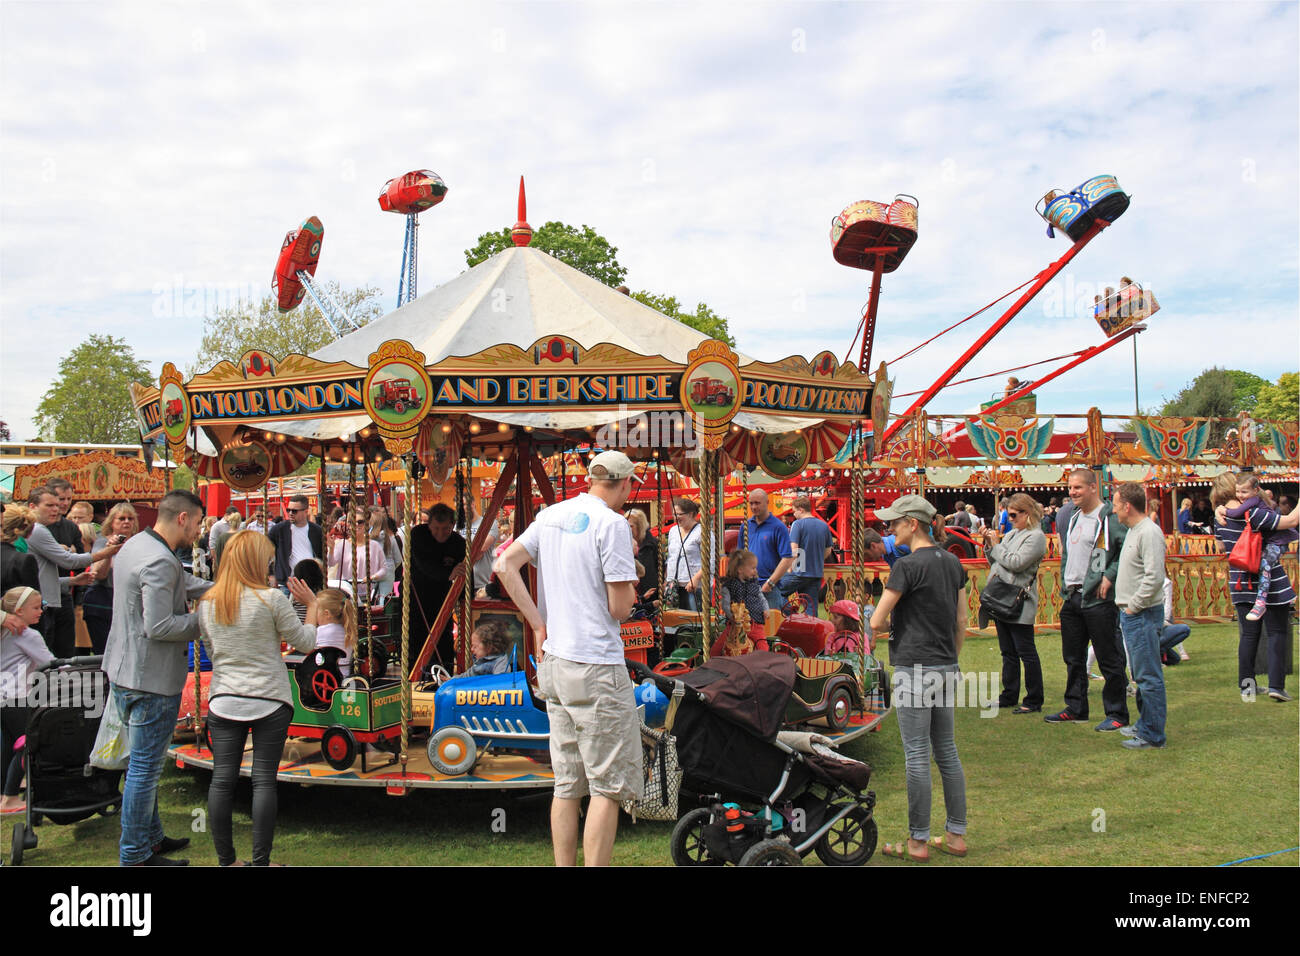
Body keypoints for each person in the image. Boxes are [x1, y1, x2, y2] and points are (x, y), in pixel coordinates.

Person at [493, 449, 642, 866]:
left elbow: (504, 565)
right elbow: (620, 609)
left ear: (593, 479)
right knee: (607, 787)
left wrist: (538, 624)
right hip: (595, 663)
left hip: (555, 662)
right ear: (626, 485)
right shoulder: (612, 524)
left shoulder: (552, 514)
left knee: (566, 784)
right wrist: (631, 581)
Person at [103, 489, 212, 866]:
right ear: (183, 518)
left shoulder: (138, 544)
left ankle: (150, 838)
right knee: (144, 771)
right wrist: (209, 619)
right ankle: (134, 856)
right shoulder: (160, 559)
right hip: (150, 679)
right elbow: (160, 625)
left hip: (125, 670)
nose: (199, 530)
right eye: (198, 522)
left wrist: (224, 591)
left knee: (140, 765)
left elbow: (177, 584)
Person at [197, 531, 317, 866]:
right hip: (268, 698)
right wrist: (313, 606)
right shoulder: (271, 599)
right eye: (265, 559)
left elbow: (211, 651)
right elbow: (306, 642)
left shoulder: (208, 602)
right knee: (264, 781)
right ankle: (261, 862)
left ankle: (227, 861)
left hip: (225, 698)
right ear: (254, 561)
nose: (270, 564)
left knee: (222, 781)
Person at [868, 495, 968, 863]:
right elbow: (961, 623)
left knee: (917, 755)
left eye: (894, 523)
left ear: (912, 523)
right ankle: (956, 835)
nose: (889, 529)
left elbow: (877, 621)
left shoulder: (906, 567)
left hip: (914, 667)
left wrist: (901, 627)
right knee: (947, 752)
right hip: (945, 666)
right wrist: (950, 659)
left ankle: (917, 841)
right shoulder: (953, 562)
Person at [1047, 468, 1130, 731]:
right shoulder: (1072, 517)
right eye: (1070, 488)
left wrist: (1109, 576)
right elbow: (1067, 554)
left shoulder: (1108, 517)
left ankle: (1116, 713)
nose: (1072, 493)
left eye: (1078, 488)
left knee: (1108, 658)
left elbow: (1123, 551)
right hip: (1072, 596)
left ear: (1093, 487)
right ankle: (1076, 707)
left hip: (1097, 598)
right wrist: (1064, 582)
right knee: (1073, 657)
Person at [1211, 472, 1298, 702]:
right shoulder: (1254, 514)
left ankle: (1247, 687)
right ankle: (1276, 686)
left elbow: (1221, 546)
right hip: (1267, 581)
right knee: (1277, 631)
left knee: (1249, 636)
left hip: (1239, 579)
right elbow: (1290, 522)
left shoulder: (1219, 516)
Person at [1108, 481, 1169, 749]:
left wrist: (1134, 606)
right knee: (1141, 675)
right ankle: (1145, 725)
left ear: (1127, 506)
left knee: (1148, 676)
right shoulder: (1135, 530)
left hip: (1141, 614)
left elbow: (1154, 577)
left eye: (1116, 505)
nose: (1114, 510)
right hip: (1133, 613)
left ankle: (1152, 734)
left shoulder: (1149, 533)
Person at [26, 487, 119, 656]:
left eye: (57, 504)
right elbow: (68, 561)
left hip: (47, 601)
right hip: (41, 605)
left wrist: (73, 581)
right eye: (49, 505)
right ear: (32, 506)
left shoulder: (43, 529)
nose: (56, 509)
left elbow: (40, 578)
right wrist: (104, 553)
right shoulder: (36, 530)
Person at [980, 493, 1048, 714]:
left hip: (1019, 601)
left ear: (1026, 513)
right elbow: (998, 562)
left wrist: (998, 545)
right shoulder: (1013, 534)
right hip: (1003, 599)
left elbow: (1016, 563)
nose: (1009, 519)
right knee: (1007, 651)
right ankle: (1009, 695)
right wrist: (990, 545)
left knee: (1025, 651)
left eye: (1012, 515)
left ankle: (1033, 699)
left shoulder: (1036, 537)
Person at [1, 586, 52, 814]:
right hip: (17, 697)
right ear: (19, 612)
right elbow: (51, 664)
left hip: (4, 698)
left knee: (9, 747)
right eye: (36, 607)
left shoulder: (5, 632)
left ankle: (4, 794)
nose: (41, 611)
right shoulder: (28, 635)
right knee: (26, 746)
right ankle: (10, 797)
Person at [1224, 474, 1298, 622]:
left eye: (1244, 492)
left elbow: (1234, 512)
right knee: (1264, 564)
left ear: (1255, 491)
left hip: (1277, 541)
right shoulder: (1255, 504)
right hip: (1272, 541)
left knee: (1265, 565)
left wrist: (1221, 510)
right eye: (1237, 491)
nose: (1240, 495)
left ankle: (1260, 602)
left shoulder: (1254, 504)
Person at [408, 503, 466, 674]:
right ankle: (416, 674)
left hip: (443, 597)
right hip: (418, 594)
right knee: (417, 638)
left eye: (445, 529)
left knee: (444, 637)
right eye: (436, 528)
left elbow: (464, 572)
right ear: (429, 525)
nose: (440, 533)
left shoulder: (458, 542)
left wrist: (464, 600)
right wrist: (449, 572)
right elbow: (424, 565)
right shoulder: (418, 535)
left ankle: (444, 672)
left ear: (452, 526)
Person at [83, 502, 140, 655]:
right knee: (105, 652)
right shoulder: (103, 541)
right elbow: (99, 574)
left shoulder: (139, 543)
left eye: (130, 518)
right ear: (112, 522)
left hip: (129, 602)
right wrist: (109, 551)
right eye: (121, 519)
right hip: (102, 601)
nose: (126, 522)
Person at [780, 496, 833, 616]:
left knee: (776, 590)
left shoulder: (797, 524)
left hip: (799, 571)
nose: (794, 514)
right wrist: (818, 559)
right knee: (811, 605)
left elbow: (794, 549)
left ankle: (790, 614)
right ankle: (812, 630)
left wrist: (789, 567)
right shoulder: (823, 526)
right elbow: (828, 550)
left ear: (801, 510)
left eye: (794, 511)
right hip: (815, 572)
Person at [744, 490, 793, 610]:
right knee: (749, 626)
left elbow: (787, 559)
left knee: (770, 626)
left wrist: (770, 583)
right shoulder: (746, 526)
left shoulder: (778, 527)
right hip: (749, 586)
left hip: (769, 588)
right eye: (751, 503)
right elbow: (741, 556)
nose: (753, 507)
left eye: (757, 503)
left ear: (767, 502)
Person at [327, 510, 387, 603]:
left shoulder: (374, 546)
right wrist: (331, 549)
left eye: (360, 522)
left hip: (367, 593)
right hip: (346, 592)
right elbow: (331, 563)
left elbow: (384, 569)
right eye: (351, 522)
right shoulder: (342, 544)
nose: (356, 524)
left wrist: (372, 577)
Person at [269, 495, 324, 594]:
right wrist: (271, 574)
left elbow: (322, 555)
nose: (290, 513)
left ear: (306, 512)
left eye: (294, 511)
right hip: (287, 583)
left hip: (310, 583)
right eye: (288, 510)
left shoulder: (316, 530)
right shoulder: (279, 530)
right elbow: (266, 552)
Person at [720, 548, 769, 652]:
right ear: (740, 570)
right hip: (734, 626)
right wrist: (732, 617)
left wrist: (765, 609)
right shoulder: (728, 586)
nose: (755, 571)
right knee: (717, 650)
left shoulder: (754, 584)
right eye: (752, 568)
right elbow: (725, 604)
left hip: (755, 624)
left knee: (763, 649)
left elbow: (762, 598)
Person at [665, 498, 704, 611]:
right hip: (675, 584)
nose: (676, 517)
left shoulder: (701, 532)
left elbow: (709, 561)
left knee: (693, 619)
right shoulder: (673, 531)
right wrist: (667, 579)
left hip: (693, 585)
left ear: (691, 514)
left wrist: (696, 579)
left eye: (679, 514)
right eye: (674, 514)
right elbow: (671, 557)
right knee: (676, 618)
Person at [313, 587, 356, 676]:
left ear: (327, 614)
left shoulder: (321, 631)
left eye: (316, 610)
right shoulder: (347, 629)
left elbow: (317, 659)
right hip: (345, 675)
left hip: (325, 676)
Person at [369, 506, 403, 600]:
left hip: (374, 570)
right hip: (388, 570)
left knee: (370, 596)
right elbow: (398, 559)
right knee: (384, 598)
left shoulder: (369, 539)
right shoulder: (390, 538)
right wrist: (391, 568)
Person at [625, 509, 659, 600]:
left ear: (639, 527)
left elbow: (650, 574)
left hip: (648, 591)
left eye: (631, 526)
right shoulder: (626, 542)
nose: (628, 529)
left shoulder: (649, 545)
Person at [1160, 578, 1191, 664]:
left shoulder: (1166, 583)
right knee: (1183, 629)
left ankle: (1162, 652)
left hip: (1163, 616)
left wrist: (1166, 619)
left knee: (1175, 659)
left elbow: (1168, 604)